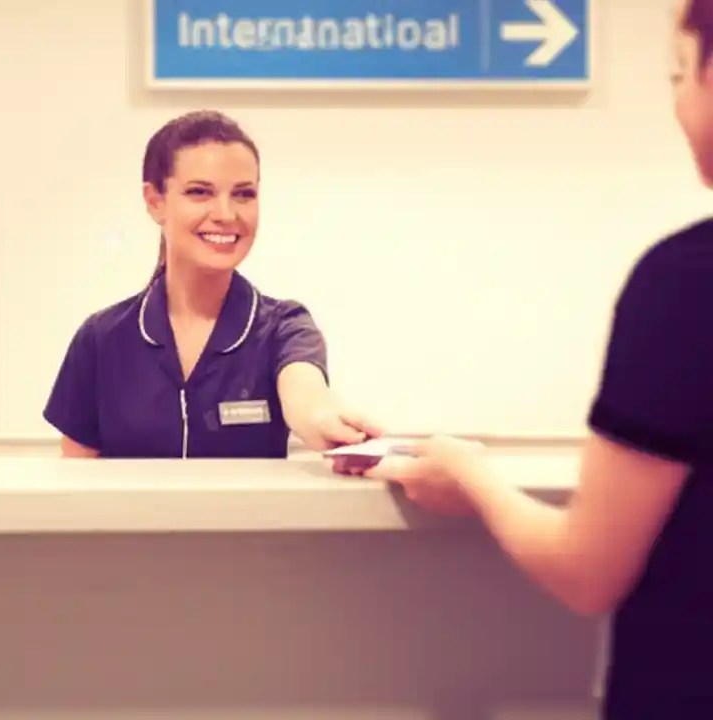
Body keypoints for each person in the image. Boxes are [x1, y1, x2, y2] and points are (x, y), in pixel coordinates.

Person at [361, 2, 713, 716]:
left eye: (682, 73)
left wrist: (471, 476)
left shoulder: (686, 283)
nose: (676, 102)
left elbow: (587, 570)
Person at [43, 110, 379, 459]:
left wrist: (323, 420)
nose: (226, 214)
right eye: (200, 192)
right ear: (155, 202)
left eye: (244, 194)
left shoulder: (283, 327)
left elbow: (305, 394)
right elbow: (78, 478)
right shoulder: (101, 339)